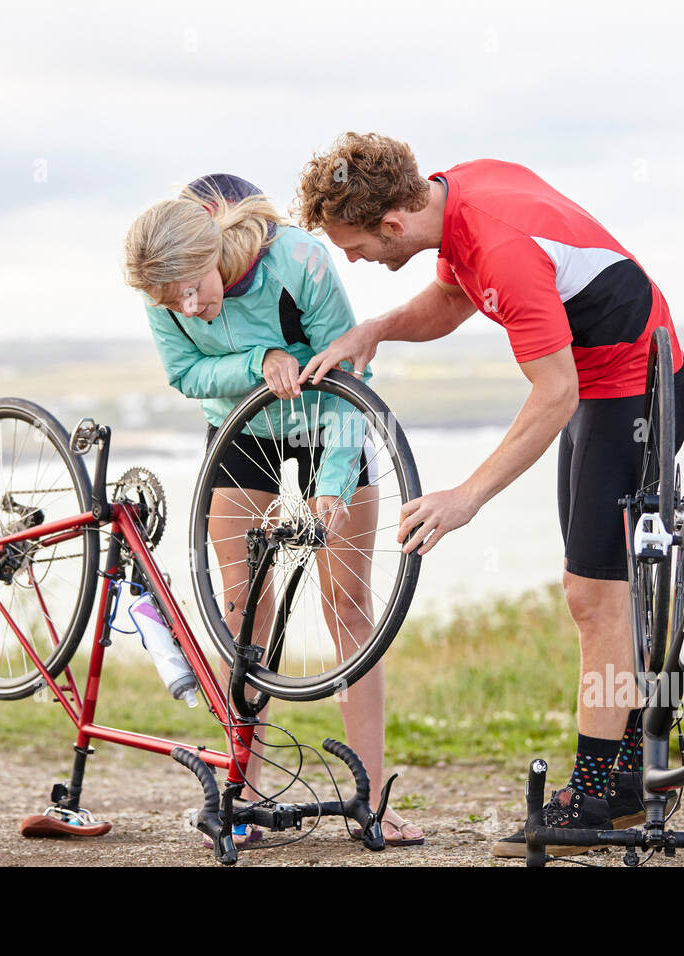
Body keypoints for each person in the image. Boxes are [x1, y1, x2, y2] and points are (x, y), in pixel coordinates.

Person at [294, 133, 684, 857]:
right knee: (597, 593)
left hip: (632, 388)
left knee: (594, 597)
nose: (351, 262)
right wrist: (375, 330)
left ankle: (597, 799)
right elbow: (451, 298)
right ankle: (627, 783)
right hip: (607, 385)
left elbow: (555, 392)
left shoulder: (500, 245)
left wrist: (466, 496)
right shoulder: (454, 194)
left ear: (391, 225)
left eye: (352, 248)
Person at [122, 173, 424, 847]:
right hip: (241, 428)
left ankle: (370, 799)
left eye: (191, 291)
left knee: (346, 601)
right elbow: (186, 374)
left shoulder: (299, 261)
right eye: (169, 301)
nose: (188, 309)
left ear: (209, 255)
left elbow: (352, 376)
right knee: (243, 605)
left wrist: (337, 485)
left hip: (329, 422)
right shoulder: (164, 289)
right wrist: (260, 358)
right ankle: (245, 790)